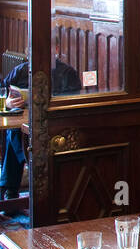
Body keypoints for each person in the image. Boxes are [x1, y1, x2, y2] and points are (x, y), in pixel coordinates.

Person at [1, 49, 82, 200]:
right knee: (14, 131)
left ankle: (12, 185)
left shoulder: (67, 73)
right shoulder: (20, 70)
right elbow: (3, 91)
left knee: (19, 134)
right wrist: (8, 102)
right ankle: (24, 172)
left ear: (56, 51)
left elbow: (74, 101)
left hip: (55, 123)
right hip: (24, 120)